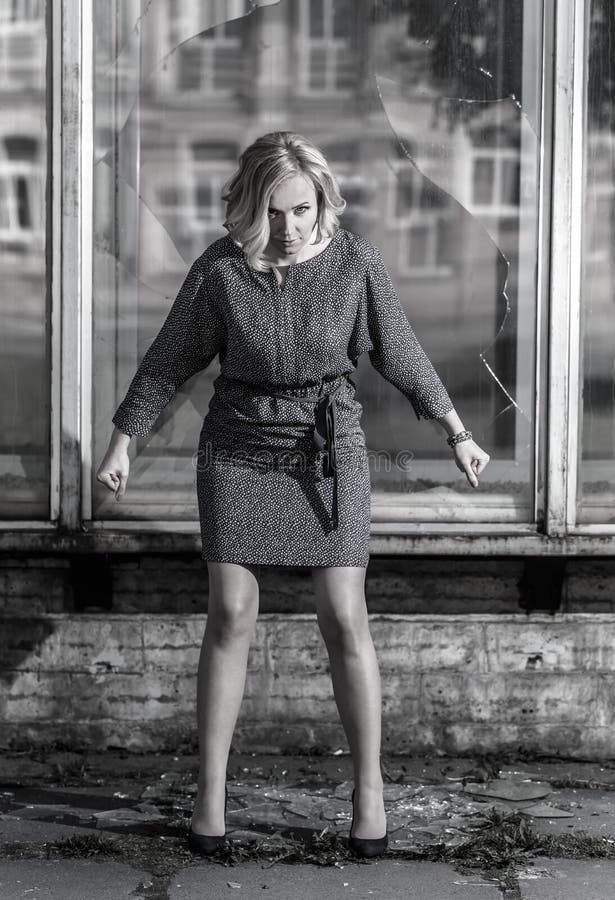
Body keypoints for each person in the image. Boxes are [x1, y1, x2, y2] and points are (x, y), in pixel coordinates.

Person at [96, 131, 490, 858]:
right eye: (272, 212)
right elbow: (168, 359)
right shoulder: (220, 270)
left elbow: (398, 349)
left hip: (326, 447)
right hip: (238, 447)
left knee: (343, 615)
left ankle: (367, 791)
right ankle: (209, 795)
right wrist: (124, 439)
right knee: (231, 612)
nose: (288, 227)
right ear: (249, 209)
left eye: (301, 209)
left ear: (322, 202)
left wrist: (455, 430)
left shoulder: (353, 261)